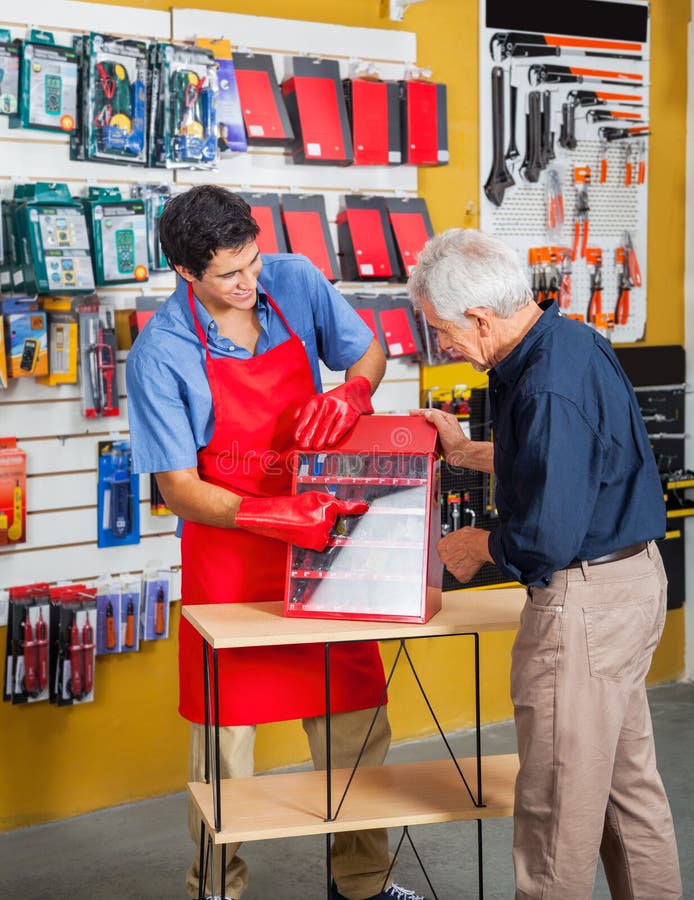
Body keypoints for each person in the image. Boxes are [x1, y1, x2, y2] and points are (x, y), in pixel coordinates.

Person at [126, 185, 426, 900]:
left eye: (252, 262)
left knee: (357, 721)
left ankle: (361, 885)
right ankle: (218, 891)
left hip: (324, 541)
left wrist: (350, 395)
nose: (250, 283)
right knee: (223, 755)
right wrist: (270, 517)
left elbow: (368, 354)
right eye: (231, 275)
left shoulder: (295, 280)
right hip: (231, 559)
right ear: (184, 274)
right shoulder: (161, 353)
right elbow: (178, 488)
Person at [408, 228, 682, 900]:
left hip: (583, 606)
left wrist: (481, 547)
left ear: (477, 317)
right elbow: (567, 464)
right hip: (631, 584)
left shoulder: (546, 387)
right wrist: (466, 451)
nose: (440, 346)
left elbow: (548, 536)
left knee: (554, 811)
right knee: (627, 794)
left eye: (439, 330)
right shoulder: (571, 344)